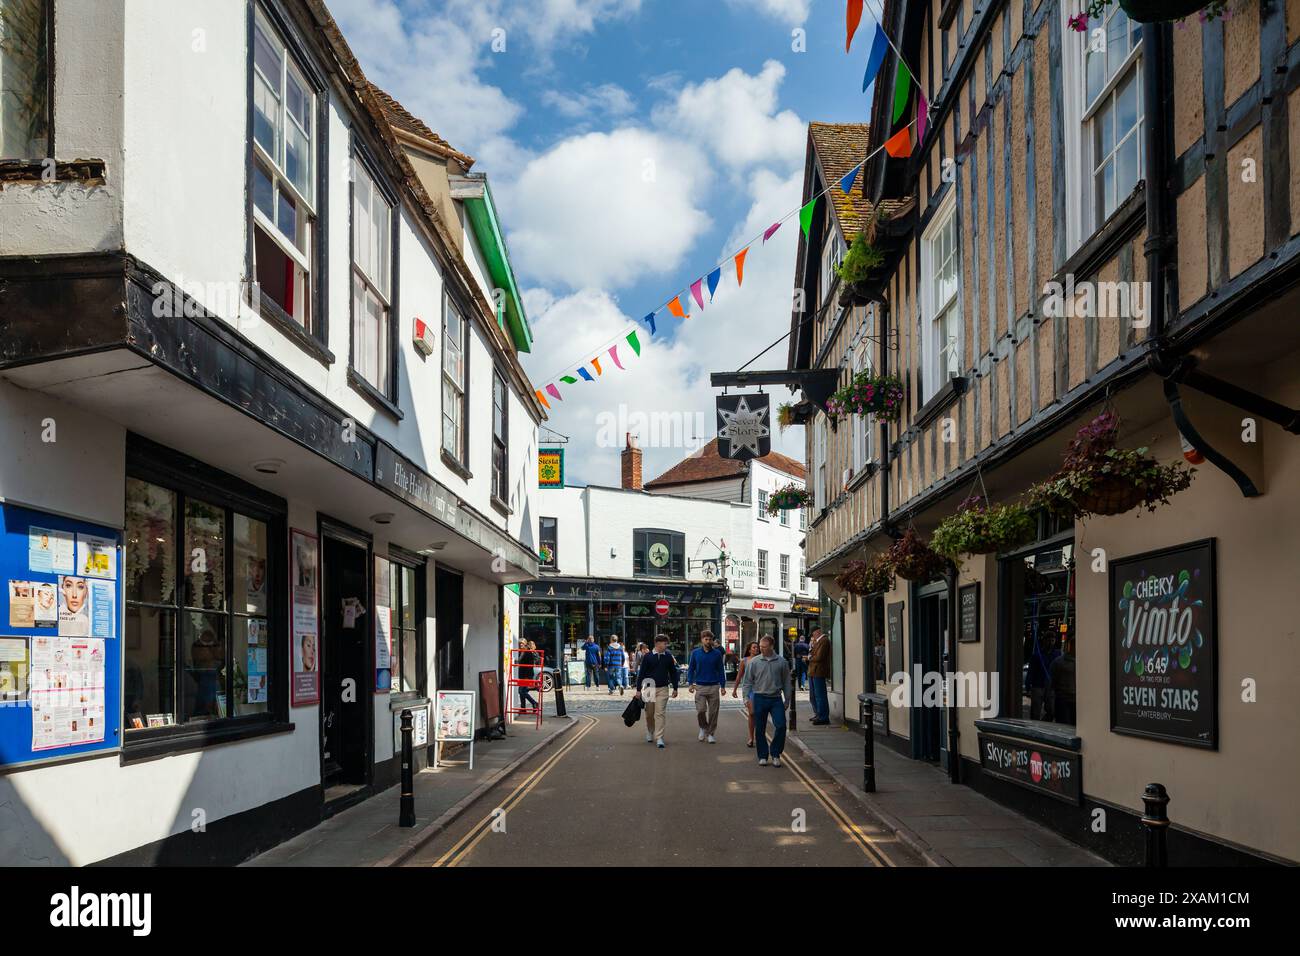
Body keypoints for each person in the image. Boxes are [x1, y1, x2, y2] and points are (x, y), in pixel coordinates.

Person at [740, 635, 793, 767]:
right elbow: (747, 682)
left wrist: (787, 700)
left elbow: (787, 682)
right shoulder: (754, 662)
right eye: (760, 646)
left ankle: (775, 753)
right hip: (759, 697)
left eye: (764, 647)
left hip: (776, 699)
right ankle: (763, 756)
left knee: (781, 726)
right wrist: (746, 698)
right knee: (760, 729)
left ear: (771, 647)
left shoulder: (782, 662)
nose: (760, 649)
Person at [633, 634, 679, 749]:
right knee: (649, 713)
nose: (666, 645)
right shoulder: (648, 657)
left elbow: (673, 672)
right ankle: (650, 731)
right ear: (658, 644)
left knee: (660, 713)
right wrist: (638, 690)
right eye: (665, 643)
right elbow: (641, 674)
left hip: (663, 688)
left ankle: (659, 737)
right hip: (649, 686)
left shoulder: (668, 656)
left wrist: (675, 687)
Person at [686, 630, 726, 743]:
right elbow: (691, 669)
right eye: (705, 639)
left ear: (712, 640)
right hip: (700, 686)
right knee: (701, 710)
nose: (708, 641)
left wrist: (723, 686)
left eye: (710, 639)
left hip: (714, 686)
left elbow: (721, 671)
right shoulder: (695, 653)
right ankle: (703, 727)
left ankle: (710, 733)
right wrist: (690, 683)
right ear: (702, 640)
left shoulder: (717, 654)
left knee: (713, 712)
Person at [731, 640, 761, 747]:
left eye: (757, 647)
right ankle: (751, 738)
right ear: (749, 649)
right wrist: (734, 689)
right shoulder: (744, 661)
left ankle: (758, 737)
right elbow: (739, 676)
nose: (756, 649)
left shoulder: (762, 660)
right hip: (748, 689)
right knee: (752, 713)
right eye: (754, 647)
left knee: (759, 714)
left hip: (760, 689)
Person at [1025, 632, 1059, 721]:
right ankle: (1034, 727)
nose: (1050, 643)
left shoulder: (1057, 654)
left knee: (1051, 711)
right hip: (1038, 686)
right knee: (1035, 712)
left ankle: (1043, 725)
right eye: (1048, 640)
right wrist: (1028, 687)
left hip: (1050, 686)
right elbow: (1031, 671)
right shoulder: (1037, 655)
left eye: (1052, 640)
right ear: (1044, 641)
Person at [1049, 635, 1076, 725]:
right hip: (1063, 699)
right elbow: (1052, 682)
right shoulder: (1059, 662)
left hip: (1076, 699)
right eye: (1073, 644)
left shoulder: (1082, 661)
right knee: (1064, 725)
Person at [807, 626, 831, 724]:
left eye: (813, 634)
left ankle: (823, 717)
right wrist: (811, 647)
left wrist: (809, 658)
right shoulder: (817, 642)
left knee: (820, 695)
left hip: (819, 671)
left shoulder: (824, 641)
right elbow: (813, 654)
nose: (813, 636)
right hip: (813, 671)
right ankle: (818, 714)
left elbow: (819, 657)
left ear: (817, 632)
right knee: (813, 696)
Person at [518, 640, 539, 711]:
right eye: (520, 643)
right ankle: (523, 708)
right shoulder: (520, 652)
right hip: (522, 675)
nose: (521, 645)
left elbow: (530, 665)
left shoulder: (528, 652)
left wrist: (527, 677)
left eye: (522, 643)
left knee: (522, 691)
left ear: (526, 644)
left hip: (526, 675)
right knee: (522, 691)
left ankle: (534, 703)